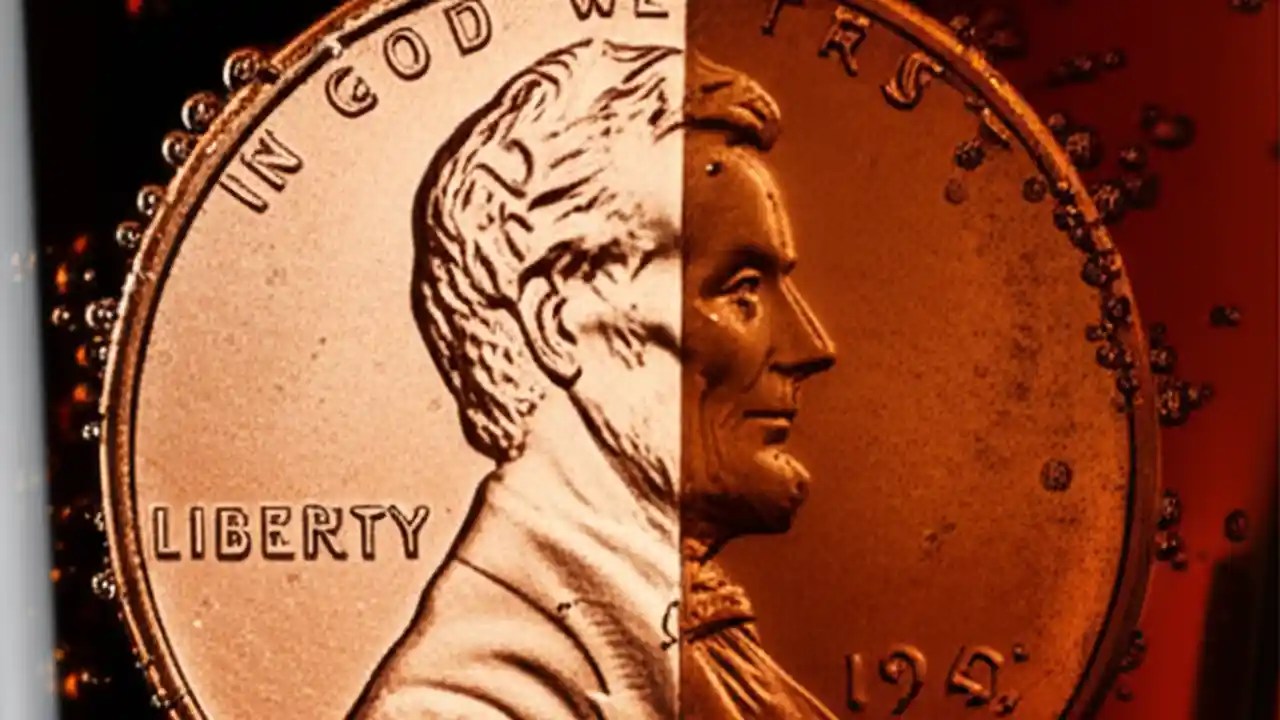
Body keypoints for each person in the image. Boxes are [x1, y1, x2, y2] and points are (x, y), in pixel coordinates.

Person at [351, 39, 837, 719]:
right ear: (558, 320)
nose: (812, 346)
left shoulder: (675, 636)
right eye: (742, 290)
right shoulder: (465, 704)